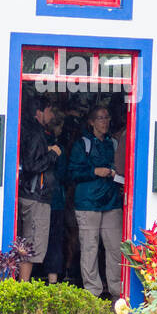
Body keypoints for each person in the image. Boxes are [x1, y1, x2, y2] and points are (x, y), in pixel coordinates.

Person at [68, 103, 123, 299]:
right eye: (100, 118)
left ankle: (117, 293)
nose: (105, 121)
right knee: (90, 249)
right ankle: (92, 293)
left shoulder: (114, 143)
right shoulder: (83, 144)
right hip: (88, 203)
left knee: (115, 249)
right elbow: (72, 172)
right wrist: (94, 171)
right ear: (91, 122)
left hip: (111, 202)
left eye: (107, 117)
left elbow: (124, 168)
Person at [18, 97, 61, 281]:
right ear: (40, 112)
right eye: (50, 111)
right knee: (31, 244)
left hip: (34, 195)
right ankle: (24, 287)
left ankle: (24, 285)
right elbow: (31, 165)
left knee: (32, 242)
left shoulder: (32, 130)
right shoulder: (36, 133)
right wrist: (53, 154)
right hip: (35, 196)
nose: (52, 115)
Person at [39, 108, 67, 283]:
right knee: (54, 238)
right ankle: (53, 279)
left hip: (40, 196)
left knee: (36, 236)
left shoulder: (39, 140)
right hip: (54, 199)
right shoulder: (57, 147)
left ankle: (32, 277)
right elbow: (63, 173)